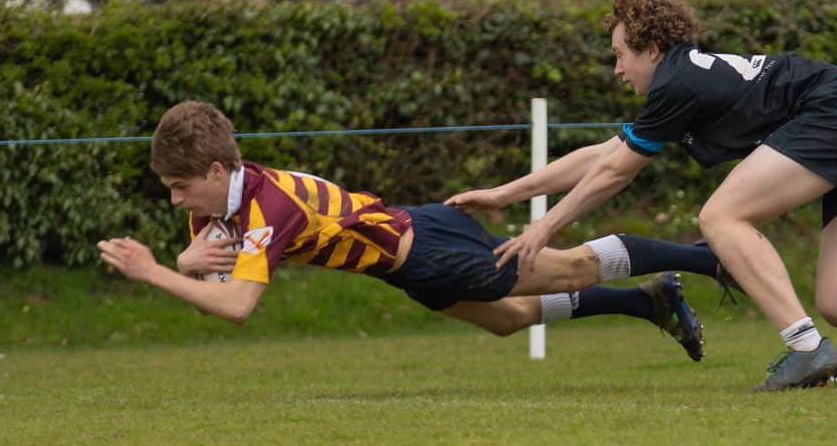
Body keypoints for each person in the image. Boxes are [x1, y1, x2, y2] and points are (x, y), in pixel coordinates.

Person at [450, 0, 837, 392]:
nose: (617, 70)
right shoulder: (683, 78)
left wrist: (545, 226)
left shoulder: (675, 81)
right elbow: (604, 156)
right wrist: (505, 195)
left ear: (649, 48)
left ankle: (806, 349)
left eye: (619, 56)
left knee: (720, 218)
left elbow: (617, 172)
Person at [96, 101, 713, 360]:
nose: (178, 202)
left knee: (573, 266)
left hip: (433, 248)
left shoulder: (268, 206)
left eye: (181, 188)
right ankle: (647, 301)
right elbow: (216, 297)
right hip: (408, 262)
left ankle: (711, 258)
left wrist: (154, 270)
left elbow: (236, 308)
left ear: (213, 169)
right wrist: (183, 266)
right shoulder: (214, 211)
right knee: (511, 321)